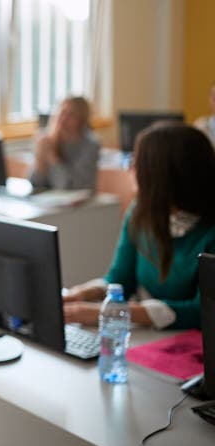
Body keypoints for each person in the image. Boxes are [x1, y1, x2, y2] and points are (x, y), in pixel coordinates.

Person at [63, 123, 215, 329]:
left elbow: (202, 311)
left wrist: (111, 312)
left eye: (138, 161)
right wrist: (83, 293)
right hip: (158, 338)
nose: (129, 167)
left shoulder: (209, 232)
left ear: (163, 174)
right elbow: (119, 279)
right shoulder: (139, 212)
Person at [30, 96, 100, 190]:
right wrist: (40, 163)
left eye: (70, 115)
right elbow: (34, 183)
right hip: (50, 201)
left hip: (81, 201)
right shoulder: (47, 139)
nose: (63, 119)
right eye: (61, 112)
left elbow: (68, 187)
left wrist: (52, 157)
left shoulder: (90, 145)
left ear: (81, 120)